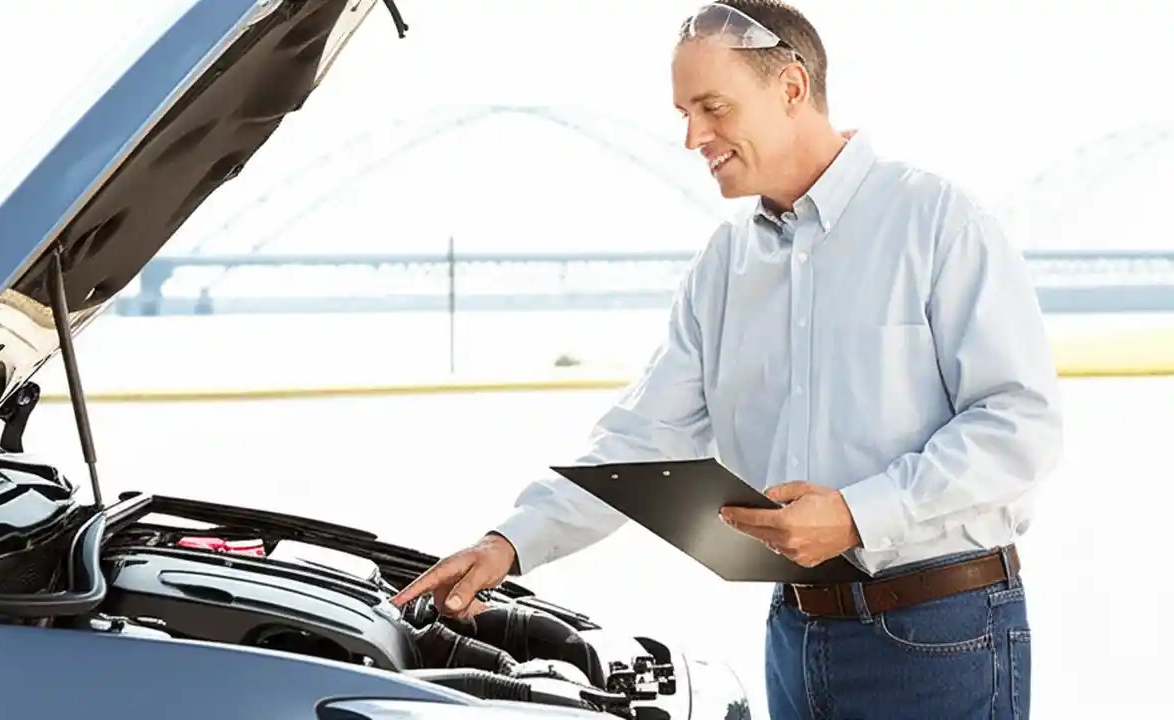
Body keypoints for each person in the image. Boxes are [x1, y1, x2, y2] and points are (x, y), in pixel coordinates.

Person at [391, 2, 1063, 718]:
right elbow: (640, 441)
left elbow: (1018, 425)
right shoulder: (724, 264)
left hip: (941, 636)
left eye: (712, 107)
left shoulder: (935, 221)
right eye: (684, 112)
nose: (692, 137)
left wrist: (857, 515)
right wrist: (508, 545)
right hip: (796, 633)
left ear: (792, 88)